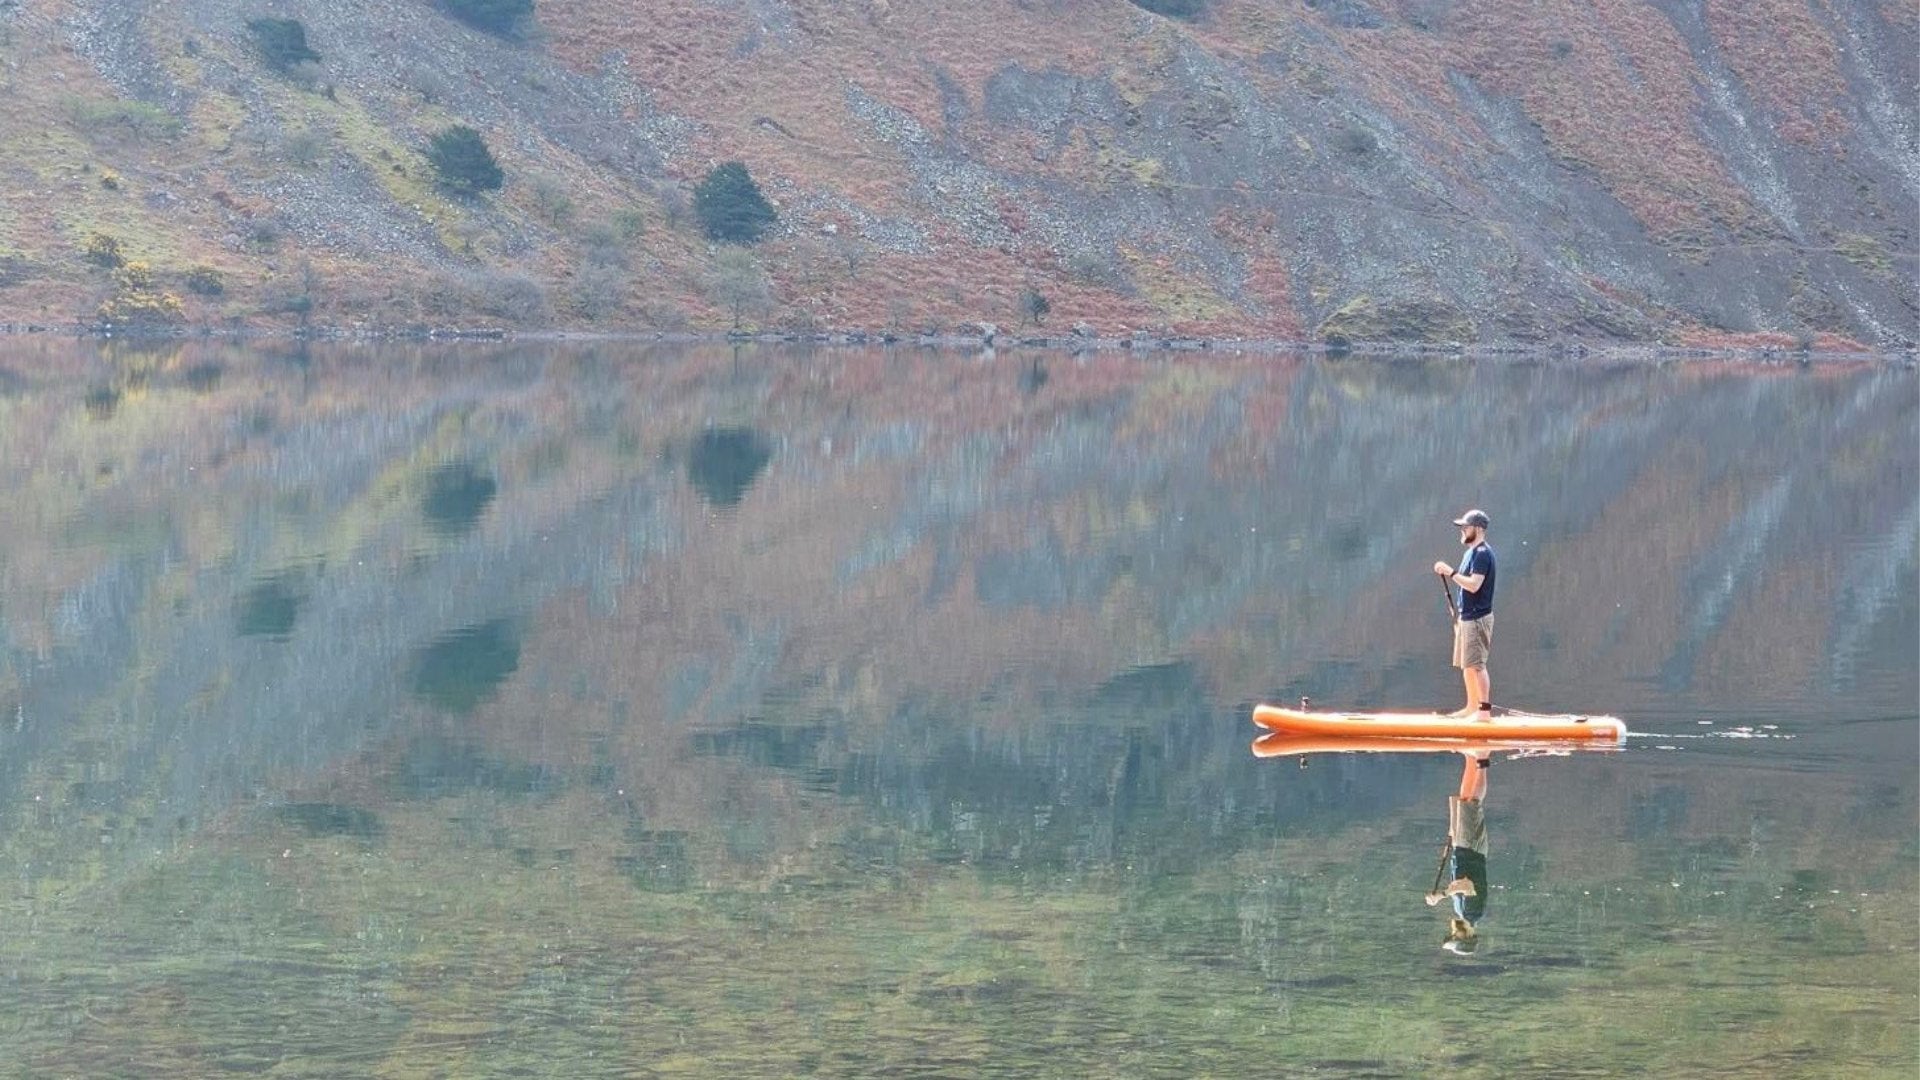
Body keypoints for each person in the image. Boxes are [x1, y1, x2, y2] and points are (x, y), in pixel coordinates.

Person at [1425, 749, 1491, 954]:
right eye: (1458, 937)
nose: (1454, 932)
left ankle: (1470, 756)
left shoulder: (1461, 912)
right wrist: (1442, 895)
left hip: (1463, 850)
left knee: (1464, 799)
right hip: (1471, 851)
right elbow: (1466, 885)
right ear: (1469, 935)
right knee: (1473, 803)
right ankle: (1482, 757)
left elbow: (1459, 882)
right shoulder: (1473, 913)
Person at [1433, 509, 1496, 719]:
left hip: (1478, 618)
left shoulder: (1482, 554)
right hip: (1468, 616)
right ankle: (1471, 707)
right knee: (1467, 664)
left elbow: (1474, 585)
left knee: (1477, 665)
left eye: (1465, 527)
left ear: (1477, 529)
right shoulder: (1470, 552)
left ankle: (1484, 712)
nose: (1462, 530)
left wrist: (1450, 572)